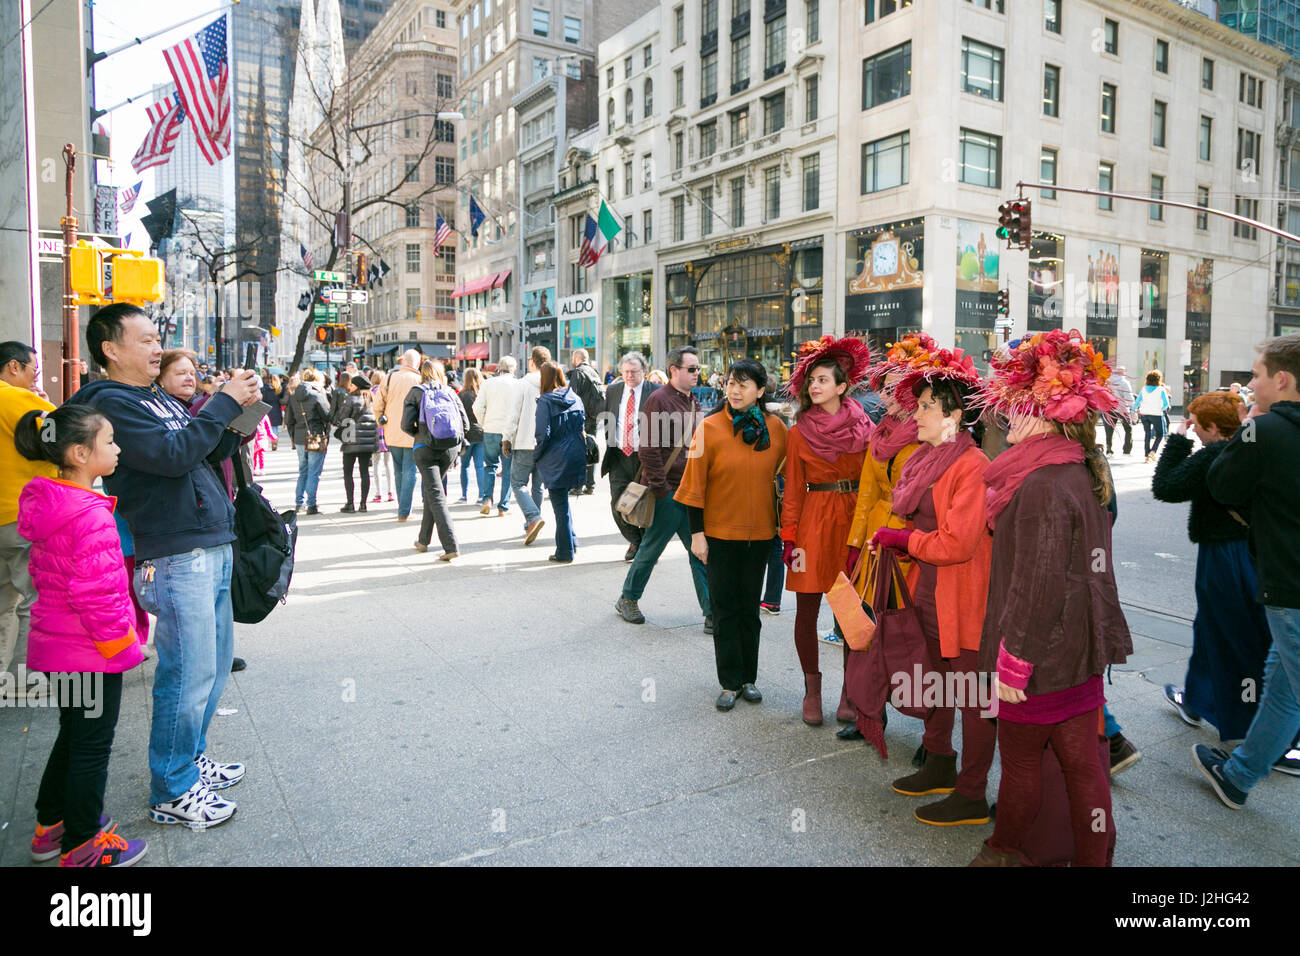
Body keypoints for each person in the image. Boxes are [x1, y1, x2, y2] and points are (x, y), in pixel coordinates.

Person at [72, 302, 258, 830]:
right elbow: (171, 456)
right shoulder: (111, 403)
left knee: (214, 665)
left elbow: (194, 453)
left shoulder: (151, 398)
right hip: (177, 553)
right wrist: (220, 404)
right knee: (187, 673)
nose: (158, 348)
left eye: (159, 339)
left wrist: (235, 417)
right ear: (110, 348)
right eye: (147, 340)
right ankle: (173, 787)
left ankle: (191, 760)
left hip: (207, 541)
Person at [972, 329, 1132, 866]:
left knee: (1019, 768)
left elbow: (1035, 587)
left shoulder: (1041, 484)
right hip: (1076, 654)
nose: (1005, 418)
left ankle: (1003, 850)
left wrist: (1012, 665)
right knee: (1085, 767)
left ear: (1044, 414)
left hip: (1036, 657)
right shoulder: (1078, 470)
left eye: (1015, 407)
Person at [867, 348, 996, 827]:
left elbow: (959, 543)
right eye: (917, 404)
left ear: (955, 416)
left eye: (925, 407)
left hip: (962, 597)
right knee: (938, 681)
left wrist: (904, 538)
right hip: (928, 591)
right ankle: (939, 760)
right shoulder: (926, 457)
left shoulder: (973, 465)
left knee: (975, 697)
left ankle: (972, 794)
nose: (913, 413)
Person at [15, 404, 148, 866]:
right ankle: (83, 843)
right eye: (109, 442)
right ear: (79, 453)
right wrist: (122, 647)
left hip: (57, 642)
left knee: (73, 735)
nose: (117, 448)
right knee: (92, 746)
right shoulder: (88, 514)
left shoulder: (50, 502)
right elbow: (99, 594)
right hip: (89, 650)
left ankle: (51, 825)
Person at [1195, 334, 1300, 808]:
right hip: (1285, 586)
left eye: (1257, 375)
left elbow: (1222, 484)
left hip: (1289, 584)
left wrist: (1248, 428)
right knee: (1282, 682)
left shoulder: (1265, 429)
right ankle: (1238, 775)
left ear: (1282, 379)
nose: (1250, 386)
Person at [1152, 390, 1271, 744]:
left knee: (1230, 631)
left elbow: (1166, 487)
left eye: (1199, 427)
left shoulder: (1216, 454)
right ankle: (1198, 699)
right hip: (1251, 550)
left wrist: (1176, 441)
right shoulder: (1252, 448)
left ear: (1214, 427)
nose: (1196, 432)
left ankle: (1245, 722)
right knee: (1211, 625)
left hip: (1224, 555)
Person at [675, 359, 788, 711]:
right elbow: (694, 485)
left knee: (749, 610)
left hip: (761, 536)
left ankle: (749, 678)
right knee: (724, 609)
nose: (735, 390)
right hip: (719, 534)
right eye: (730, 384)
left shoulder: (777, 429)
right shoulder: (707, 427)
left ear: (760, 390)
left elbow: (789, 478)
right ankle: (729, 681)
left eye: (743, 384)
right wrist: (697, 535)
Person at [778, 336, 874, 726]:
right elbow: (792, 490)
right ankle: (811, 690)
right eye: (811, 381)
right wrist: (788, 536)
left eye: (822, 380)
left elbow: (872, 483)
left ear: (842, 386)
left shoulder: (866, 427)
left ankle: (849, 692)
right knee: (806, 610)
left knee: (851, 611)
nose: (814, 387)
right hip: (813, 522)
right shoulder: (798, 433)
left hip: (852, 520)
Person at [841, 335, 928, 742]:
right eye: (885, 388)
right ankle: (868, 716)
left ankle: (935, 736)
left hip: (913, 550)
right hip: (877, 549)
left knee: (913, 642)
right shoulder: (881, 433)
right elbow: (867, 495)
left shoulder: (930, 438)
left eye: (896, 390)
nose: (887, 397)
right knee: (866, 633)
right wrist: (855, 546)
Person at [615, 346, 711, 630]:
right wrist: (661, 490)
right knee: (651, 549)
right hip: (668, 492)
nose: (697, 374)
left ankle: (711, 612)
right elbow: (648, 450)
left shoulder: (692, 401)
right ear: (674, 370)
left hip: (690, 492)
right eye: (691, 369)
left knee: (700, 552)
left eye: (697, 369)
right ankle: (628, 599)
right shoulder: (658, 400)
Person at [0, 341, 56, 677]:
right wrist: (47, 410)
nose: (34, 379)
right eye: (33, 371)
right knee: (35, 597)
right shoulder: (19, 399)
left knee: (4, 601)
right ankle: (26, 677)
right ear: (13, 367)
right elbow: (57, 439)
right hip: (20, 514)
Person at [402, 359, 468, 560]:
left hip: (425, 448)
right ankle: (423, 540)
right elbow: (465, 424)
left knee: (435, 494)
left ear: (422, 373)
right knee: (435, 491)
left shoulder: (416, 392)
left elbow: (405, 425)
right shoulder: (450, 392)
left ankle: (450, 546)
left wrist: (421, 434)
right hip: (449, 449)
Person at [602, 352, 660, 561]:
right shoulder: (614, 390)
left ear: (643, 371)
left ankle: (644, 546)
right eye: (625, 371)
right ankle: (636, 541)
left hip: (644, 456)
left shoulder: (656, 392)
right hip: (618, 455)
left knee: (644, 502)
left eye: (634, 372)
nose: (629, 376)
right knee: (618, 503)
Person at [533, 362, 587, 563]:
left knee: (559, 505)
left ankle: (564, 551)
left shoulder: (545, 401)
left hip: (555, 455)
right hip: (575, 451)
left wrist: (537, 454)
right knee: (563, 503)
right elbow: (582, 423)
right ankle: (571, 541)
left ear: (543, 378)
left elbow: (542, 434)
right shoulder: (575, 397)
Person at [504, 346, 551, 546]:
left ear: (532, 362)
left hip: (524, 441)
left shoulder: (523, 384)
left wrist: (507, 438)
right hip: (545, 443)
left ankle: (532, 517)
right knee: (537, 486)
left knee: (517, 483)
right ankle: (531, 522)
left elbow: (513, 414)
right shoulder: (551, 383)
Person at [374, 350, 423, 522]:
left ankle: (402, 508)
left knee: (398, 469)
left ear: (403, 361)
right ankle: (404, 510)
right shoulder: (419, 379)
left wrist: (381, 421)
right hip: (413, 431)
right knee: (410, 470)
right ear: (417, 363)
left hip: (392, 431)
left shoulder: (388, 378)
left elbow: (377, 403)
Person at [473, 355, 519, 516]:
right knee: (508, 469)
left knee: (490, 466)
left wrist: (484, 423)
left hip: (490, 430)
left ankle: (486, 499)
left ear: (498, 368)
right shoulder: (518, 384)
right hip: (509, 432)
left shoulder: (488, 383)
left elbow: (477, 407)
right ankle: (503, 506)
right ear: (514, 369)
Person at [283, 367, 331, 515]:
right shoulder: (317, 395)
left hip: (298, 436)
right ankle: (311, 504)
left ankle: (299, 502)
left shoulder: (293, 396)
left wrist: (293, 435)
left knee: (303, 471)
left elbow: (289, 420)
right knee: (314, 472)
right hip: (315, 436)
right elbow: (327, 416)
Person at [334, 374, 379, 513]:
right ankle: (363, 504)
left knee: (348, 472)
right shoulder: (372, 400)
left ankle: (350, 504)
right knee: (364, 472)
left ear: (357, 386)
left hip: (351, 439)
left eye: (352, 385)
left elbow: (342, 419)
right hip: (367, 441)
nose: (350, 387)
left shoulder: (351, 399)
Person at [567, 349, 605, 495]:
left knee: (578, 451)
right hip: (594, 417)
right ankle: (590, 485)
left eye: (572, 357)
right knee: (591, 448)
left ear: (577, 358)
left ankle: (577, 485)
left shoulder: (578, 372)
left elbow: (572, 397)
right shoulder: (594, 373)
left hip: (581, 418)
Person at [457, 368, 487, 504]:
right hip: (481, 433)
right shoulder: (482, 394)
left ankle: (464, 495)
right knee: (480, 466)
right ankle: (481, 496)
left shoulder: (461, 395)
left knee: (464, 466)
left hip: (466, 434)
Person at [368, 370, 395, 503]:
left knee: (376, 464)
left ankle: (378, 493)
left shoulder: (369, 393)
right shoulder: (388, 392)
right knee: (388, 463)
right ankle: (391, 492)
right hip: (387, 429)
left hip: (374, 431)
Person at [1137, 369, 1171, 461]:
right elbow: (1166, 404)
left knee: (1147, 434)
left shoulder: (1143, 389)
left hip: (1144, 414)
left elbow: (1137, 402)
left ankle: (1146, 455)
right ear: (1158, 379)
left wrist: (1133, 412)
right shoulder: (1161, 389)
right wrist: (1161, 410)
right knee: (1160, 434)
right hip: (1156, 414)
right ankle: (1153, 451)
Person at [260, 370, 283, 442]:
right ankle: (274, 441)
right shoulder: (278, 390)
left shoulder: (263, 389)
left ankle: (268, 440)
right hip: (276, 410)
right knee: (274, 427)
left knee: (265, 427)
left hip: (266, 410)